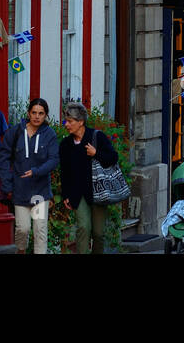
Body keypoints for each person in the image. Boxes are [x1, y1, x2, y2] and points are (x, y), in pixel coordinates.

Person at [0, 97, 59, 254]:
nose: (37, 116)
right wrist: (7, 183)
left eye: (41, 113)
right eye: (34, 113)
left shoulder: (49, 134)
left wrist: (37, 171)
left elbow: (54, 159)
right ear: (28, 113)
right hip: (20, 190)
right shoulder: (16, 132)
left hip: (40, 192)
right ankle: (21, 250)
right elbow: (3, 157)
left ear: (46, 116)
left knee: (40, 230)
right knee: (23, 229)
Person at [58, 102, 120, 254]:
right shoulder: (65, 144)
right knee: (83, 227)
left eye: (70, 121)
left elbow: (113, 158)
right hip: (78, 194)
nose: (67, 124)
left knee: (99, 233)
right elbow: (64, 171)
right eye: (66, 121)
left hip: (98, 192)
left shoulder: (96, 137)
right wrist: (66, 194)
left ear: (81, 122)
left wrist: (96, 153)